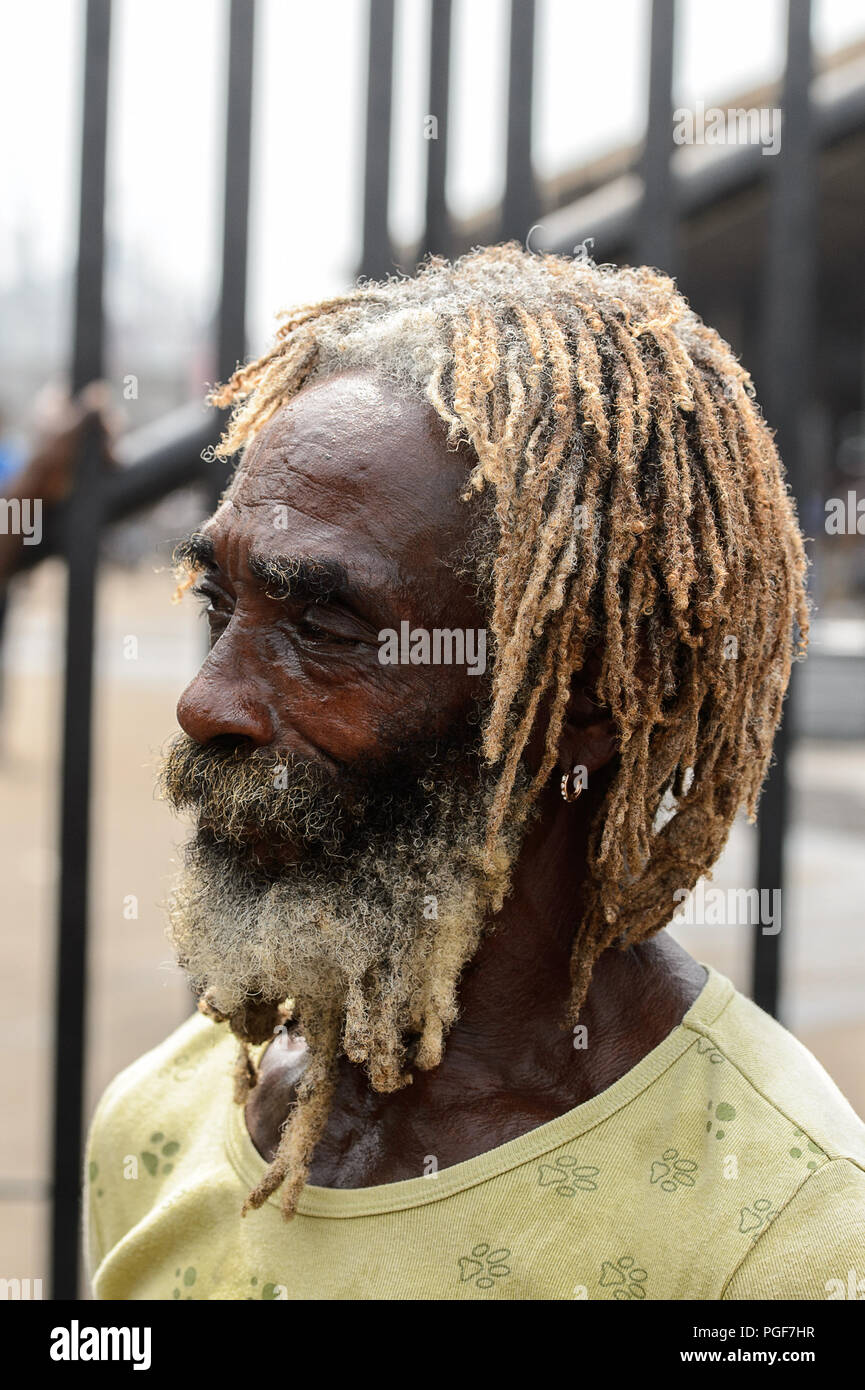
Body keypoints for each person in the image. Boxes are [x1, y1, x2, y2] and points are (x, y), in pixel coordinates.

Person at [84, 244, 865, 1301]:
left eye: (321, 623)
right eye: (223, 607)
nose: (205, 702)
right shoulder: (155, 1132)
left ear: (589, 694)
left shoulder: (780, 1236)